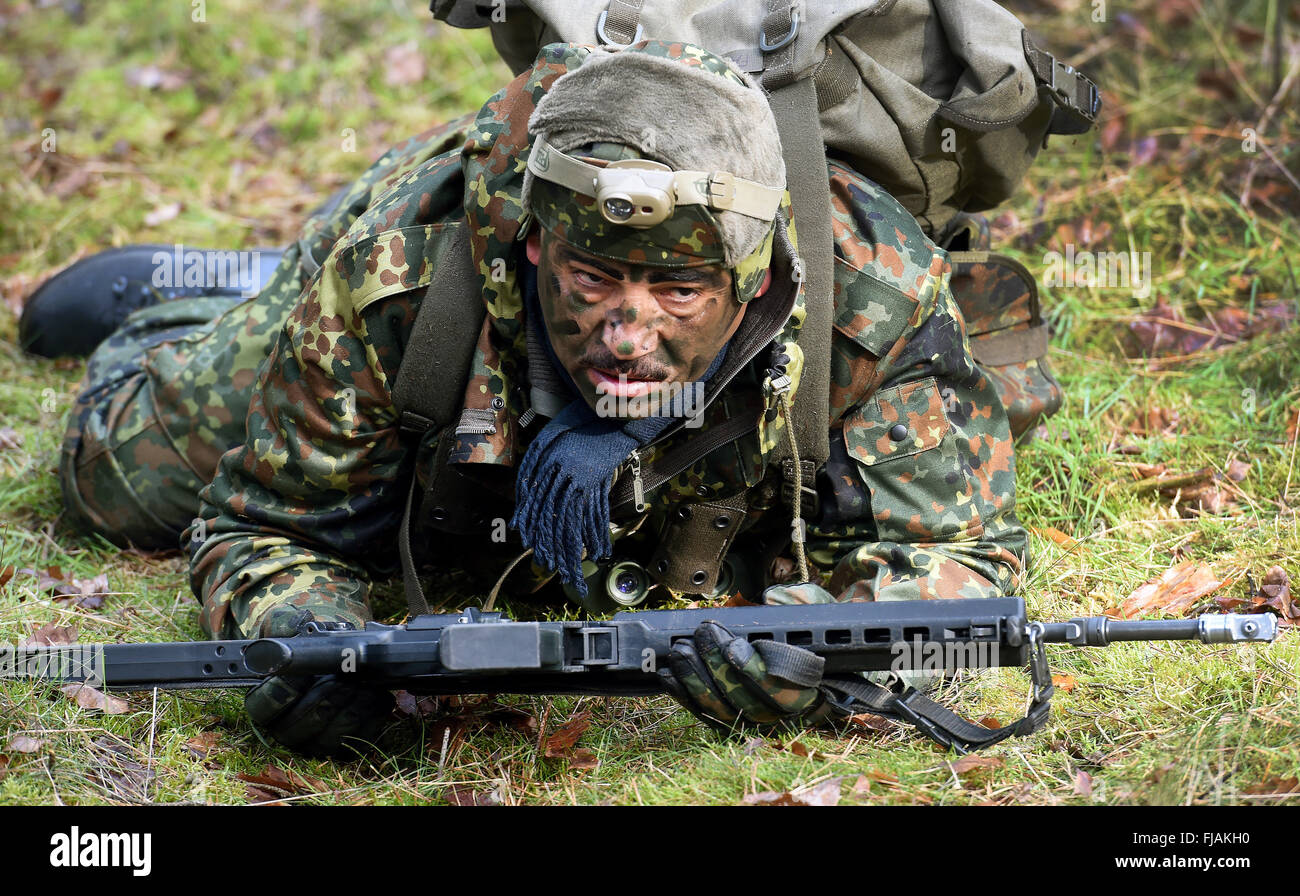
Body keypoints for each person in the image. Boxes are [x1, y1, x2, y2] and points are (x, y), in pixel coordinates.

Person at [23, 40, 1028, 754]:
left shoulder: (871, 294)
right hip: (390, 275)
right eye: (592, 282)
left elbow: (968, 569)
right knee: (115, 479)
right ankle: (237, 290)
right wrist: (304, 632)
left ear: (755, 280)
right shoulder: (410, 273)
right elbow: (260, 527)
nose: (627, 337)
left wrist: (817, 649)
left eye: (678, 291)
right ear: (538, 242)